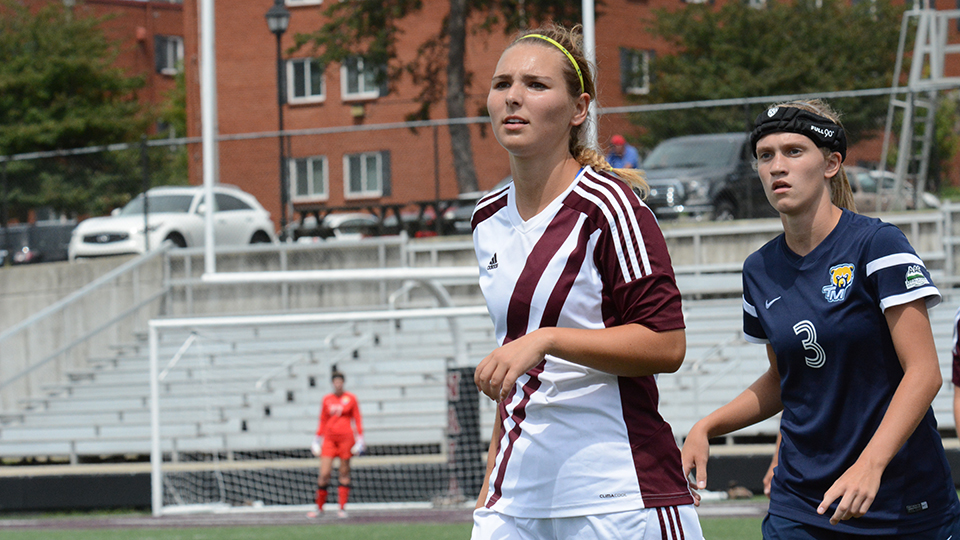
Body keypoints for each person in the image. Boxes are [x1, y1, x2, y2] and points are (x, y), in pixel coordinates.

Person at [681, 99, 960, 538]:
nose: (777, 167)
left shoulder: (878, 245)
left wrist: (870, 465)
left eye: (794, 152)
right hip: (801, 502)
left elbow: (924, 373)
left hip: (903, 504)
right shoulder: (758, 269)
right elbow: (782, 379)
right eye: (766, 155)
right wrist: (707, 425)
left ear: (831, 164)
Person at [470, 23, 704, 540]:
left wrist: (547, 340)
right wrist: (490, 489)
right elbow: (514, 364)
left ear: (579, 109)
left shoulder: (611, 207)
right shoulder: (486, 218)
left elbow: (666, 343)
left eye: (536, 85)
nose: (513, 97)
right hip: (514, 500)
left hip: (621, 494)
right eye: (502, 83)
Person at [309, 370, 364, 519]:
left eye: (340, 381)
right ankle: (319, 508)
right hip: (330, 440)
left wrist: (360, 439)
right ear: (333, 383)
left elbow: (357, 419)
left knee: (344, 473)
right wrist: (316, 439)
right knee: (324, 474)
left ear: (343, 383)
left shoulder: (350, 398)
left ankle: (342, 508)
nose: (338, 384)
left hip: (346, 439)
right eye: (336, 382)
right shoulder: (327, 399)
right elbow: (322, 420)